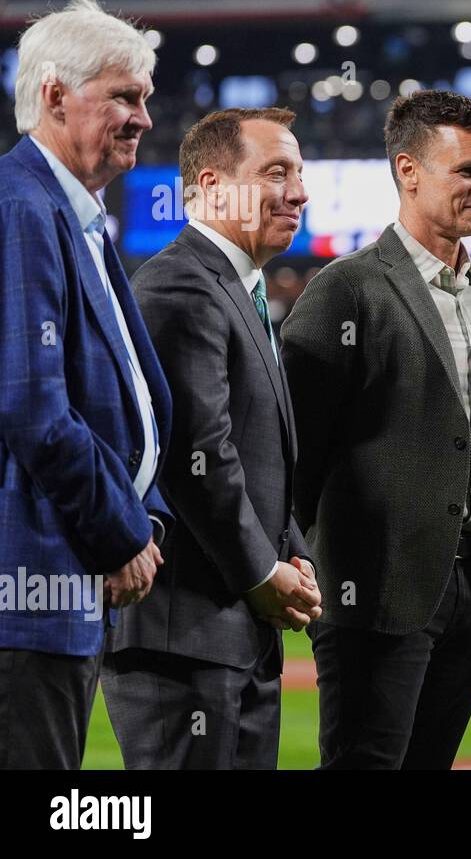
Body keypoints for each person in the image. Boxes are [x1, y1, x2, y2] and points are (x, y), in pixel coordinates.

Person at [281, 89, 471, 769]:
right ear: (407, 171)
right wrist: (295, 561)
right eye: (467, 171)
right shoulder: (347, 289)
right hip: (372, 589)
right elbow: (293, 447)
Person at [101, 107, 322, 769]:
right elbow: (200, 455)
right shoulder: (179, 282)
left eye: (301, 173)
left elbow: (256, 459)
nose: (300, 191)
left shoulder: (236, 287)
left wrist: (293, 553)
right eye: (276, 171)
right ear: (213, 184)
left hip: (230, 629)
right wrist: (261, 569)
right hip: (186, 629)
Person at [0, 0, 171, 768]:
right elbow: (33, 407)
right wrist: (119, 530)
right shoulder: (24, 208)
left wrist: (146, 516)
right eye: (124, 97)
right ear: (54, 96)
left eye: (145, 99)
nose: (142, 118)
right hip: (31, 580)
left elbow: (129, 402)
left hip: (65, 580)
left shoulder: (76, 215)